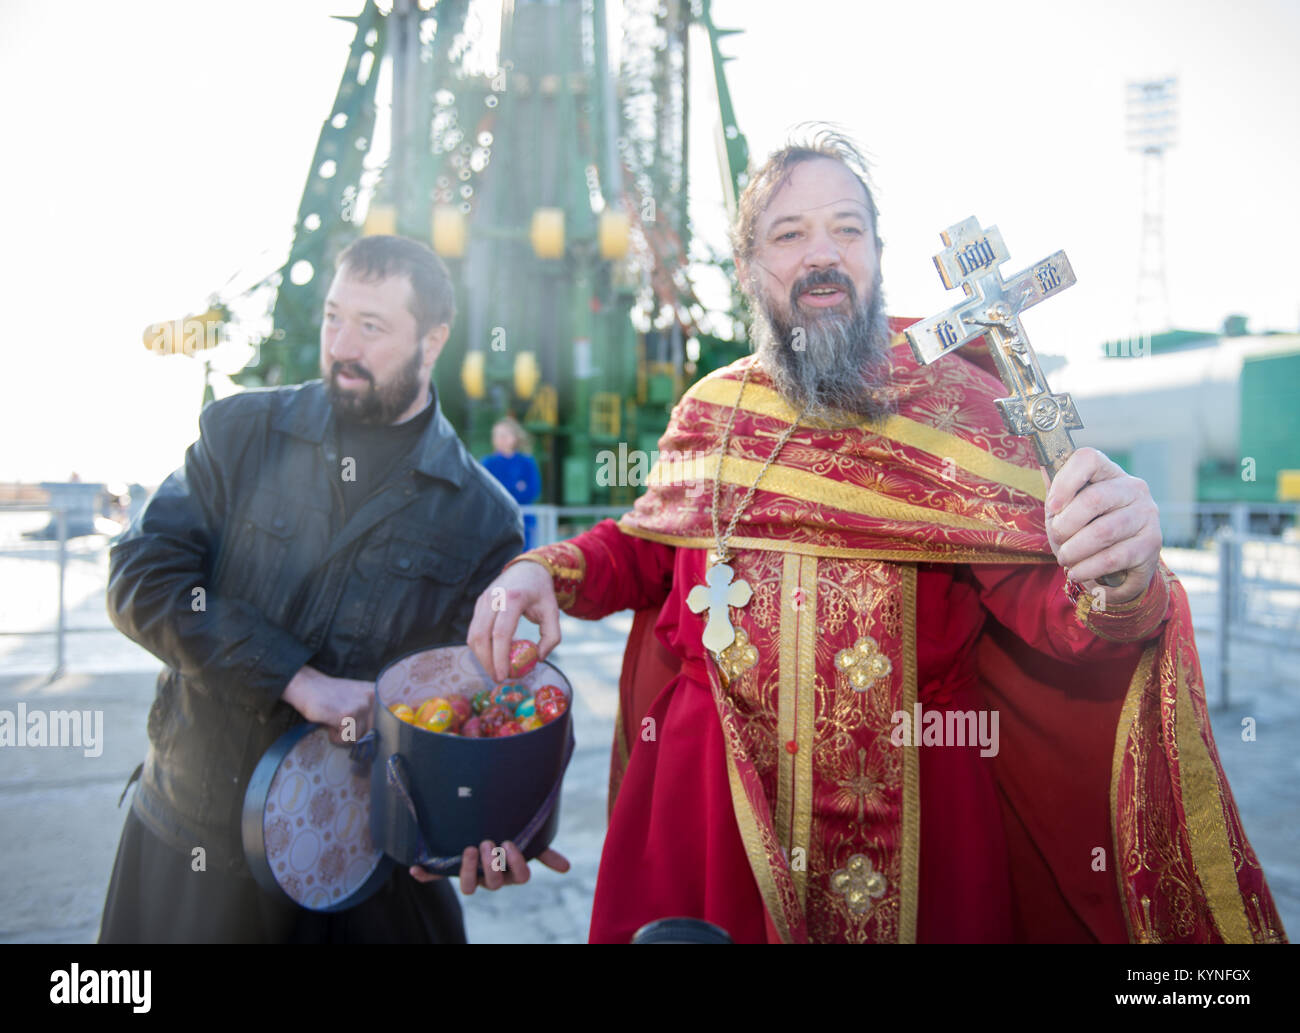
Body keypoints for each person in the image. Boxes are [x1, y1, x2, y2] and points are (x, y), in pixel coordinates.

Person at [466, 130, 1287, 944]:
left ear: (876, 256)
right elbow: (646, 547)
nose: (823, 253)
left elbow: (1055, 611)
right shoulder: (713, 408)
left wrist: (1119, 568)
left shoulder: (953, 410)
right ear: (752, 268)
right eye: (790, 234)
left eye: (847, 229)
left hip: (922, 807)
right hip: (711, 811)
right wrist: (545, 569)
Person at [99, 235, 551, 944]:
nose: (341, 345)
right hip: (190, 844)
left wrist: (483, 823)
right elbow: (139, 580)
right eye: (333, 318)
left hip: (359, 872)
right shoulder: (240, 432)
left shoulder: (482, 516)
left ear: (433, 341)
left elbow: (464, 713)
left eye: (371, 328)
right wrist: (296, 679)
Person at [482, 417, 542, 549]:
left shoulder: (527, 463)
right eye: (496, 435)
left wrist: (503, 488)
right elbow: (486, 493)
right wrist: (516, 487)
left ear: (515, 438)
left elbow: (532, 492)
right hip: (496, 524)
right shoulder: (488, 464)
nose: (499, 439)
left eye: (504, 435)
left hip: (524, 523)